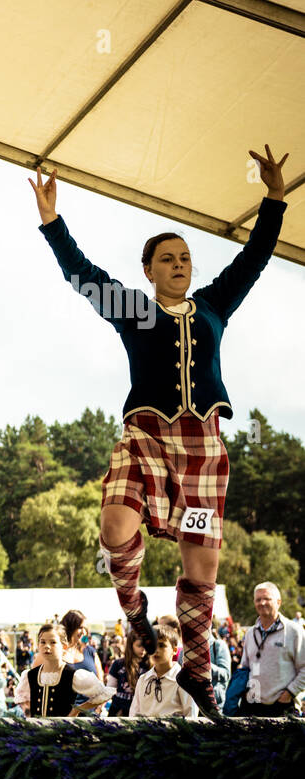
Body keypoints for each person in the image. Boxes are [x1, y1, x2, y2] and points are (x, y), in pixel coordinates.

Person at [29, 145, 290, 718]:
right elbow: (84, 276)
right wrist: (53, 222)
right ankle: (134, 607)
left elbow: (254, 259)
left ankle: (197, 679)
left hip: (202, 450)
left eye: (185, 258)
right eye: (167, 259)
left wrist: (273, 199)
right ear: (148, 270)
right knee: (116, 520)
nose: (179, 265)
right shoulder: (133, 311)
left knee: (201, 572)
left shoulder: (215, 306)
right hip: (145, 436)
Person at [14, 624, 113, 718]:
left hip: (62, 732)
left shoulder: (72, 675)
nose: (47, 646)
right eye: (43, 642)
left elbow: (104, 694)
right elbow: (23, 700)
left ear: (64, 646)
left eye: (53, 642)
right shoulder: (30, 675)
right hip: (36, 733)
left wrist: (77, 710)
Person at [236, 582, 304, 716]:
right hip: (252, 706)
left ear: (278, 602)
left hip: (282, 707)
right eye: (258, 599)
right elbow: (247, 666)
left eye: (267, 599)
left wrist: (289, 694)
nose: (262, 603)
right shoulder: (250, 633)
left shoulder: (294, 631)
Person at [129, 624, 199, 718]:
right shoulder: (143, 679)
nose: (156, 650)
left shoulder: (184, 680)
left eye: (162, 645)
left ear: (174, 650)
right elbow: (134, 712)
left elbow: (191, 715)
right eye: (153, 645)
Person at [105, 635, 147, 717]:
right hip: (118, 709)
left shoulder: (150, 665)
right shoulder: (118, 663)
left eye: (145, 646)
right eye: (139, 646)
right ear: (131, 645)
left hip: (140, 712)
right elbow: (110, 688)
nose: (143, 649)